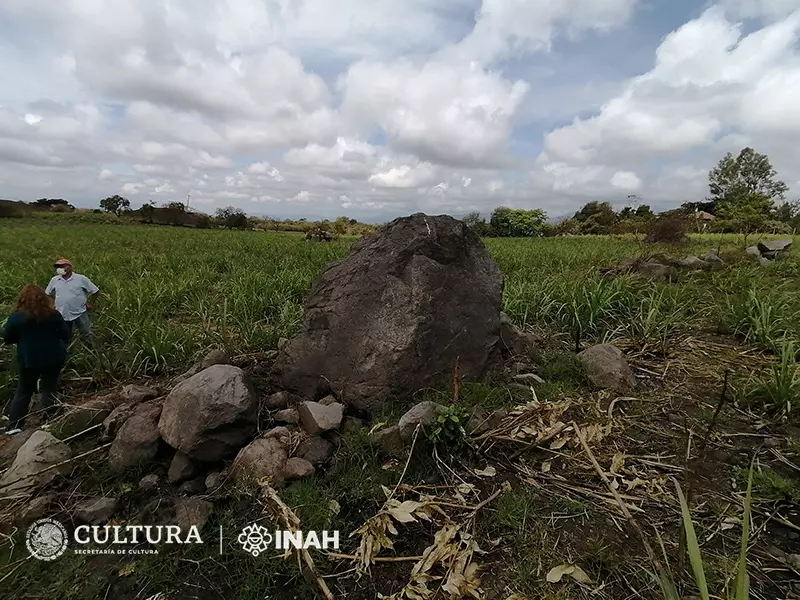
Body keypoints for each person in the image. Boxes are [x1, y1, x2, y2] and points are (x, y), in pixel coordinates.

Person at [2, 285, 70, 434]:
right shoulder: (53, 315)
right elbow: (65, 334)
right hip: (53, 356)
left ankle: (15, 426)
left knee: (24, 391)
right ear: (44, 298)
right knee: (49, 388)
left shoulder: (16, 318)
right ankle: (50, 421)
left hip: (28, 359)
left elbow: (7, 338)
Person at [45, 258, 99, 346]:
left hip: (79, 311)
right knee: (64, 335)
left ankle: (92, 351)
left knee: (86, 333)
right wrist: (53, 303)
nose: (59, 268)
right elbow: (47, 293)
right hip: (62, 313)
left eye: (62, 266)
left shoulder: (80, 279)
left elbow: (95, 291)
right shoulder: (55, 280)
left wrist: (90, 304)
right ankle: (67, 351)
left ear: (69, 267)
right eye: (58, 267)